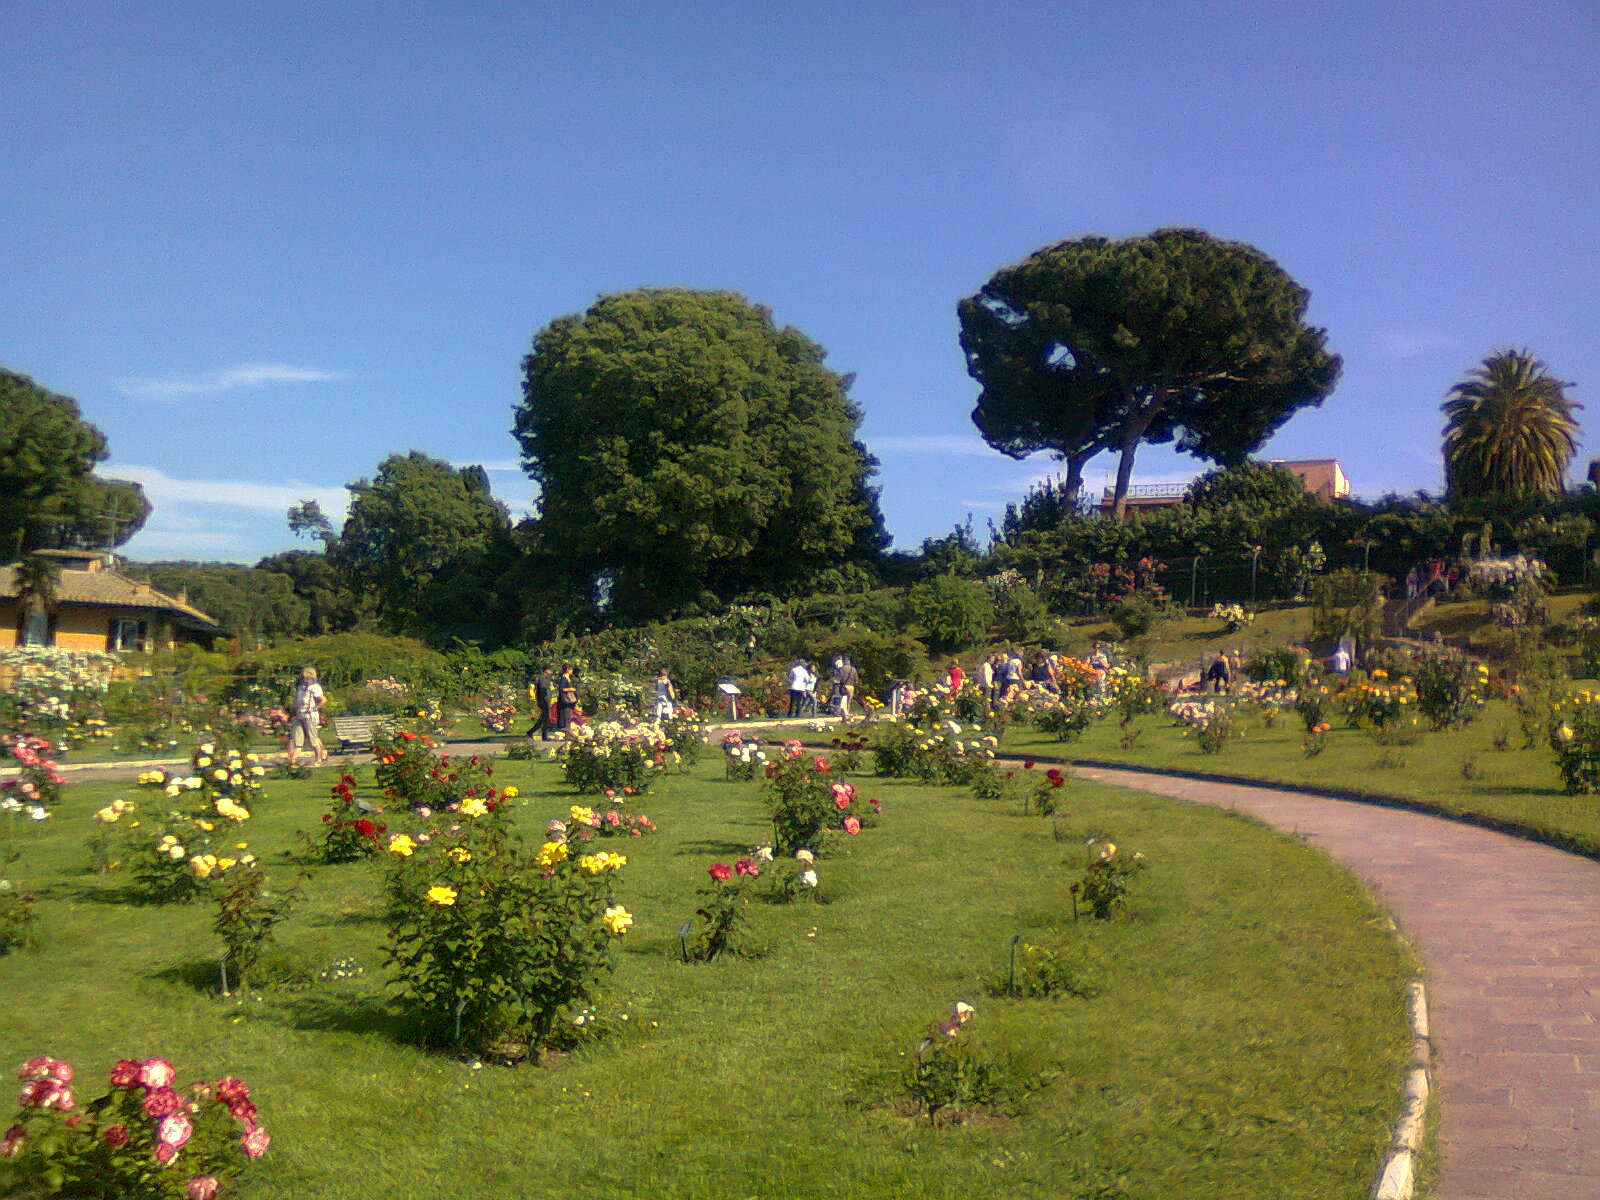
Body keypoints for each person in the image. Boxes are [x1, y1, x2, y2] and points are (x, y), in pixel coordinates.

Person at [286, 666, 327, 768]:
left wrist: (314, 708)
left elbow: (323, 700)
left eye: (306, 677)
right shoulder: (301, 688)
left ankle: (319, 759)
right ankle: (293, 760)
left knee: (313, 739)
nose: (304, 679)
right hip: (300, 715)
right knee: (297, 739)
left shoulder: (315, 687)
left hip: (310, 716)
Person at [528, 667, 556, 740]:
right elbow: (543, 691)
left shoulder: (546, 678)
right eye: (550, 670)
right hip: (544, 700)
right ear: (546, 670)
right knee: (545, 718)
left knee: (543, 718)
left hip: (545, 700)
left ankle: (532, 732)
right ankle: (543, 736)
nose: (551, 671)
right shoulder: (543, 678)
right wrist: (547, 701)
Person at [555, 664, 579, 733]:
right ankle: (567, 731)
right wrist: (571, 689)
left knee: (569, 716)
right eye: (570, 669)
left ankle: (568, 730)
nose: (572, 671)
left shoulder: (568, 678)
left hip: (570, 700)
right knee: (567, 716)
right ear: (567, 670)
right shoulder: (564, 679)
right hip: (566, 700)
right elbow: (561, 689)